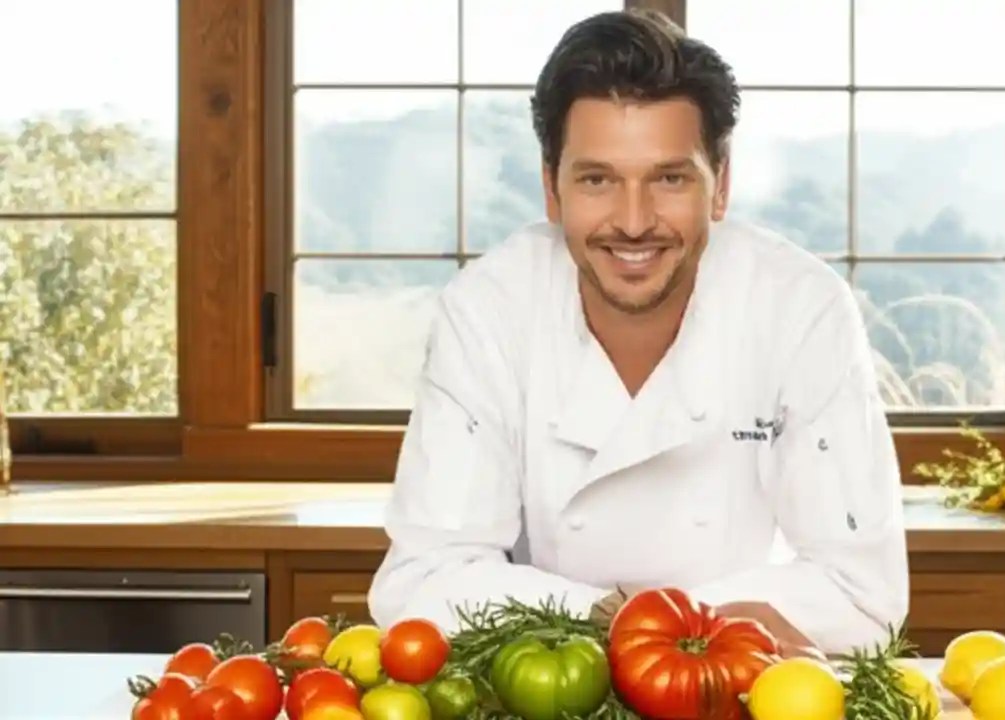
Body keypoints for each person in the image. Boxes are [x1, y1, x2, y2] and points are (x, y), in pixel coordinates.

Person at [367, 8, 908, 658]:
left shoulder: (800, 306)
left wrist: (675, 638)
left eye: (669, 178)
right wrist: (629, 626)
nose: (632, 222)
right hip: (550, 682)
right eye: (597, 179)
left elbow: (862, 592)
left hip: (733, 681)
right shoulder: (488, 309)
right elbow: (423, 579)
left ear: (721, 185)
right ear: (550, 187)